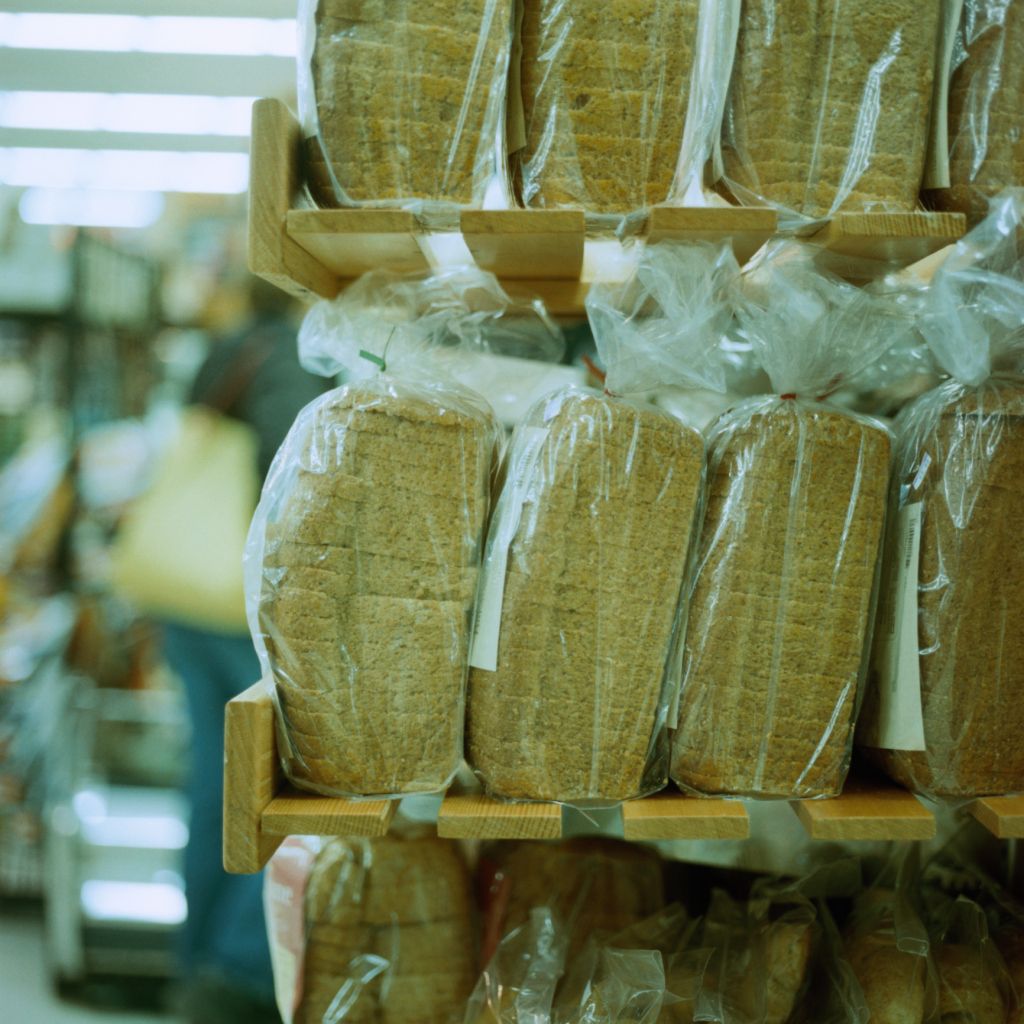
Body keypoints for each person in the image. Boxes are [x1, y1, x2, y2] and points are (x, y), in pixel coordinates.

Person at [162, 275, 332, 1024]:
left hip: (185, 595)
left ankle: (195, 960)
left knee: (214, 784)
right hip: (240, 602)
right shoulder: (293, 357)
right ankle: (234, 971)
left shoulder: (227, 348)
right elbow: (291, 479)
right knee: (268, 788)